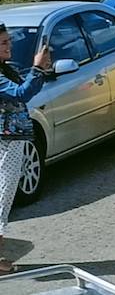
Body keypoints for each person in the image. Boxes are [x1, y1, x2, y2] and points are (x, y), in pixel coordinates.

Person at [0, 26, 50, 274]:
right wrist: (37, 67)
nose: (9, 46)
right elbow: (20, 93)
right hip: (6, 140)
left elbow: (26, 89)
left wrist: (39, 70)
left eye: (9, 41)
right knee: (3, 195)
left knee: (5, 195)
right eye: (3, 43)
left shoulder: (5, 68)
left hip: (13, 137)